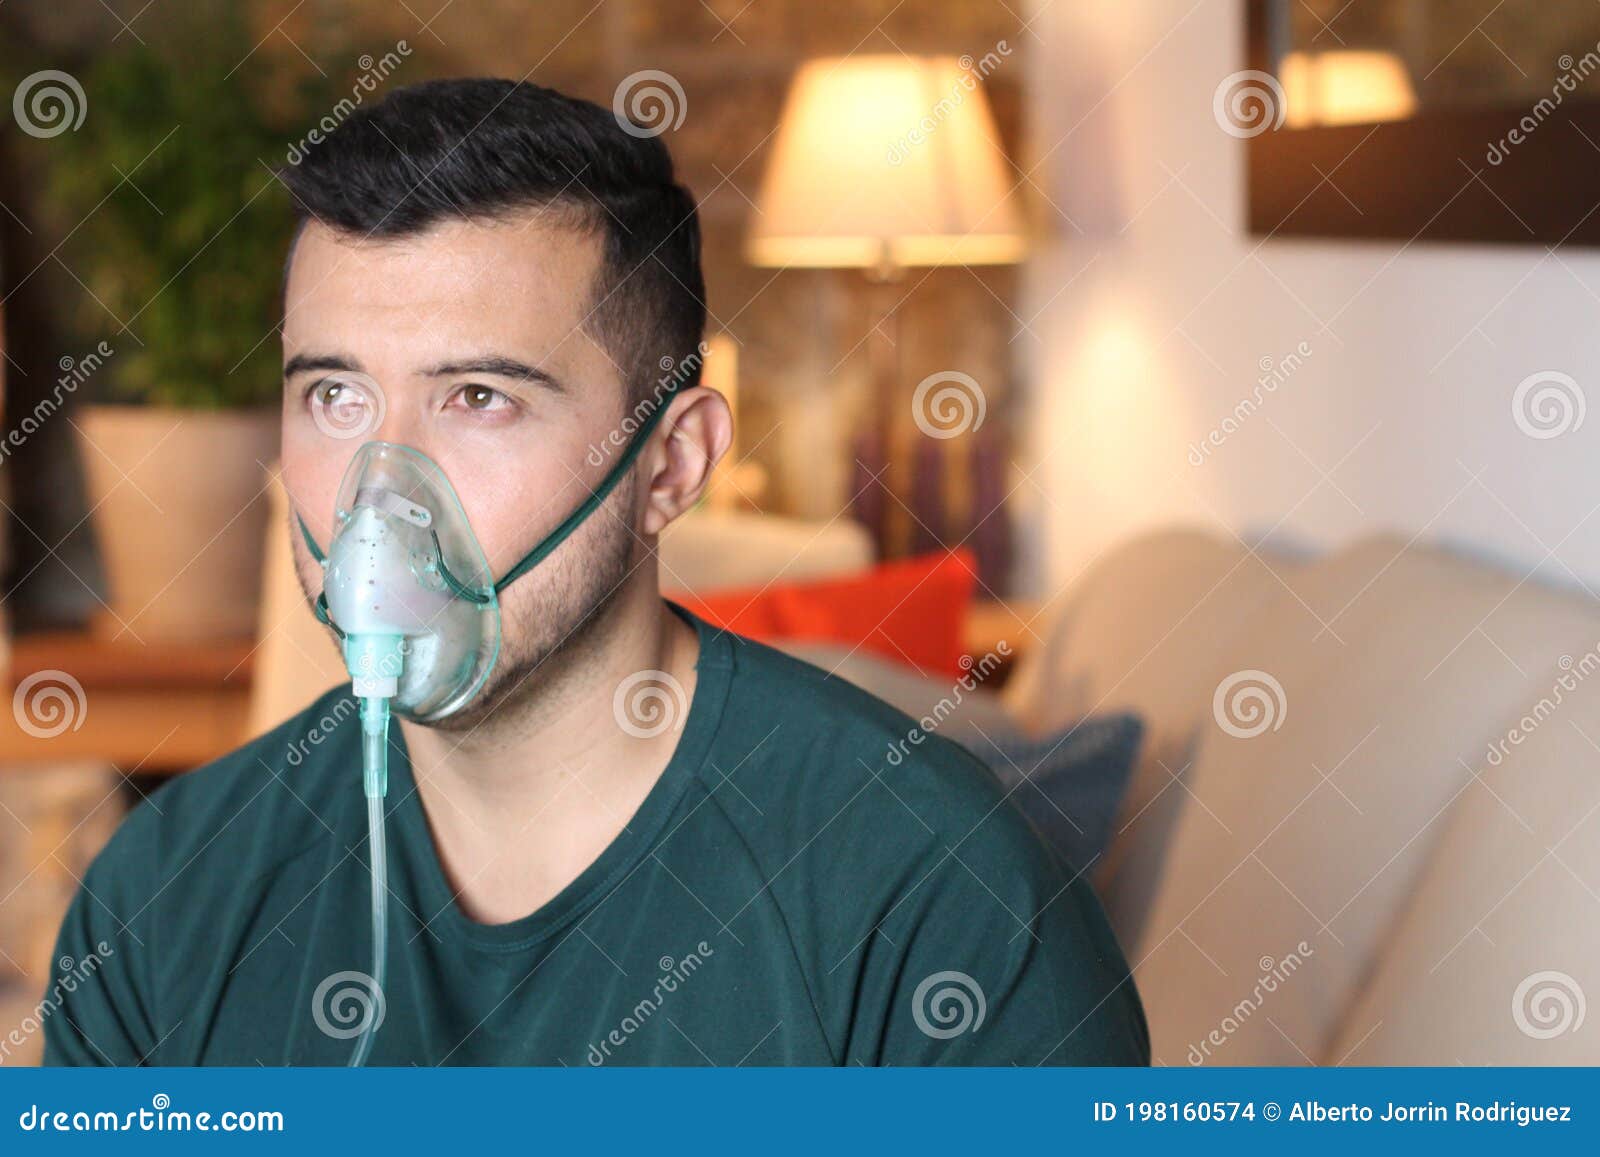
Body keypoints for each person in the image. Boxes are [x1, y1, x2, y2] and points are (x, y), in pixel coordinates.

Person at [45, 78, 1148, 1066]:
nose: (378, 493)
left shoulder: (938, 902)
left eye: (480, 397)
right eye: (333, 395)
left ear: (670, 464)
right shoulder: (164, 902)